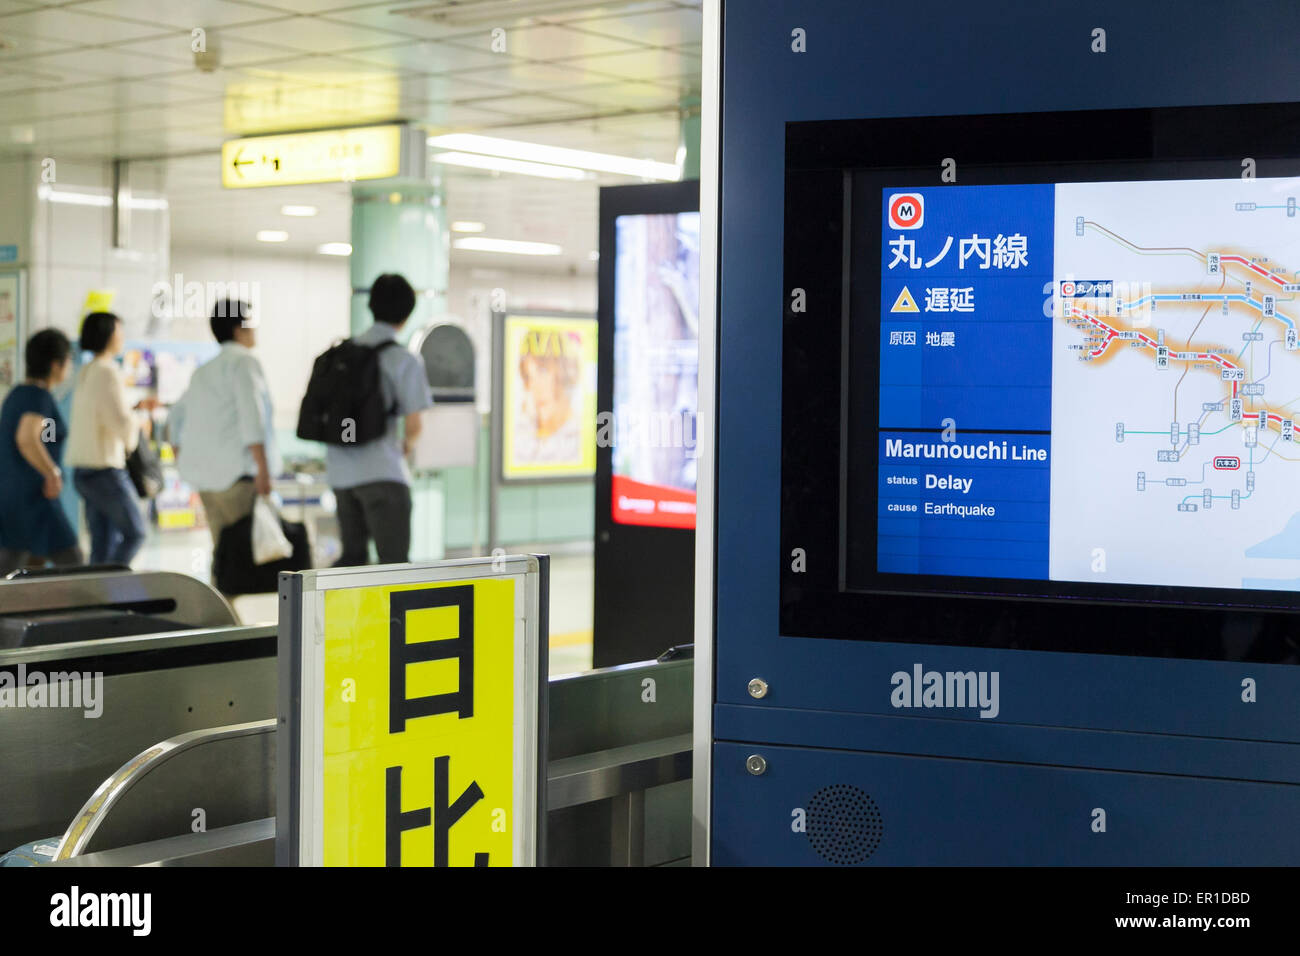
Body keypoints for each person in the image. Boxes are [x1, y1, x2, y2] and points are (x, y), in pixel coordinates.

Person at [325, 273, 431, 566]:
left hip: (341, 475)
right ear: (407, 313)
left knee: (353, 562)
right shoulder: (403, 360)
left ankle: (348, 614)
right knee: (393, 565)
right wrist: (406, 447)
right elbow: (414, 425)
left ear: (371, 306)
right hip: (383, 473)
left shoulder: (341, 353)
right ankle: (390, 615)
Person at [170, 299, 279, 560]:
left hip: (206, 481)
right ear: (238, 329)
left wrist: (181, 456)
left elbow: (175, 417)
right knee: (243, 557)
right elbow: (252, 417)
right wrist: (263, 469)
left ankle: (220, 599)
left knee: (223, 553)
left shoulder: (202, 372)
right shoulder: (244, 363)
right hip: (237, 479)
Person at [66, 311, 146, 566]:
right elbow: (120, 421)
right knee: (136, 532)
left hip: (84, 470)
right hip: (105, 470)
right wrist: (138, 421)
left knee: (101, 543)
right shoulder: (107, 370)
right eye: (119, 330)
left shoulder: (86, 370)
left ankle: (96, 596)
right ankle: (113, 589)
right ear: (109, 334)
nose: (122, 336)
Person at [0, 329, 83, 574]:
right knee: (72, 560)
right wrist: (52, 472)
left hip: (15, 495)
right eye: (68, 360)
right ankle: (82, 609)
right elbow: (27, 438)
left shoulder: (17, 394)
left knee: (11, 561)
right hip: (34, 497)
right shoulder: (38, 396)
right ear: (56, 364)